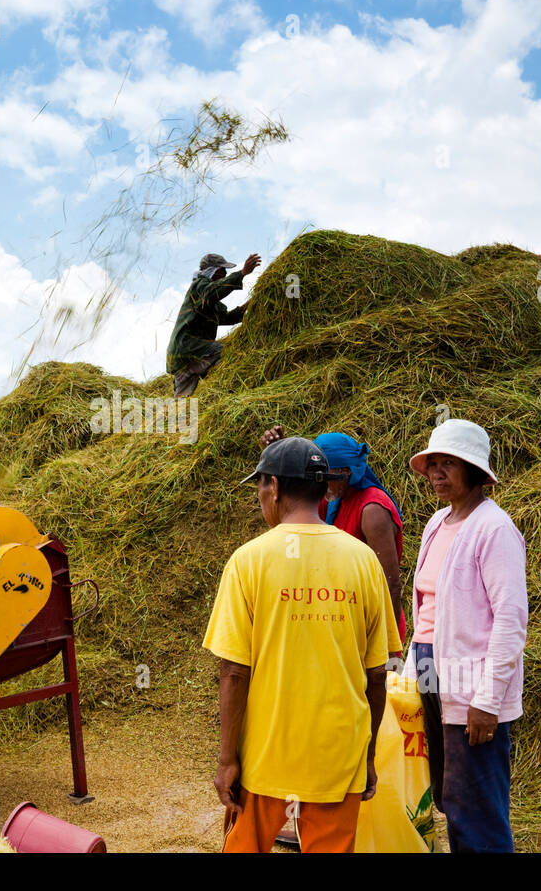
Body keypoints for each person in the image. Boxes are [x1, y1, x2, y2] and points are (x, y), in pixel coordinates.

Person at [204, 436, 393, 853]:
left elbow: (234, 671)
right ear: (322, 487)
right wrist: (368, 755)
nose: (260, 497)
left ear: (273, 486)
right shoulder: (363, 561)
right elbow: (376, 674)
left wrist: (226, 760)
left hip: (265, 760)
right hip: (338, 758)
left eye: (259, 488)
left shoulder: (248, 561)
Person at [402, 418, 527, 853]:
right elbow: (426, 606)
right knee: (449, 793)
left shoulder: (494, 529)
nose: (436, 472)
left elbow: (511, 620)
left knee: (476, 801)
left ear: (475, 471)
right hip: (430, 668)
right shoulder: (437, 522)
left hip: (470, 683)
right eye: (432, 463)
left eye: (448, 463)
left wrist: (488, 700)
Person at [261, 425, 405, 663]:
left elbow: (390, 585)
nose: (321, 482)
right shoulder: (331, 499)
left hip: (370, 626)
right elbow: (290, 511)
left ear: (346, 472)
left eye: (325, 475)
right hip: (339, 619)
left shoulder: (372, 510)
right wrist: (280, 452)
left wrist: (389, 650)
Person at [166, 251, 261, 397]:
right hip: (189, 350)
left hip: (184, 362)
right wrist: (242, 273)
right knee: (229, 352)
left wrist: (254, 300)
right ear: (213, 270)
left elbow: (229, 317)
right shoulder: (199, 287)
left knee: (183, 405)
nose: (224, 273)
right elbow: (214, 291)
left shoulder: (209, 302)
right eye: (222, 269)